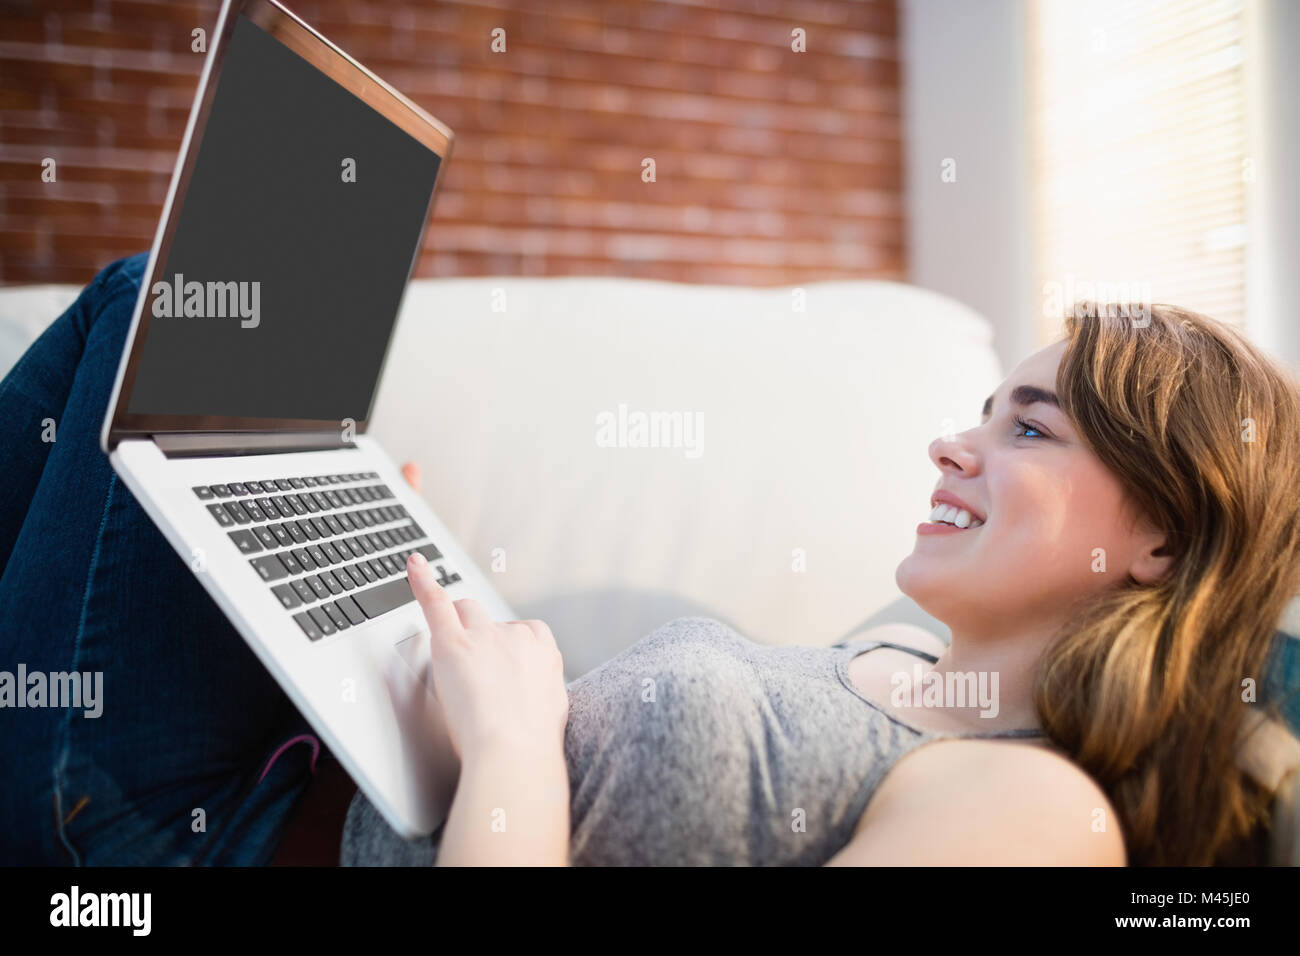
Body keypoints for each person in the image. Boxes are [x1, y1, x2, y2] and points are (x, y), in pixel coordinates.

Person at [3, 254, 1297, 866]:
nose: (953, 448)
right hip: (318, 760)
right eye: (981, 409)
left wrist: (513, 751)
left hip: (198, 845)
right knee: (190, 316)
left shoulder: (1036, 811)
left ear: (1162, 539)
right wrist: (444, 649)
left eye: (1028, 428)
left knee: (162, 311)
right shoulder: (894, 661)